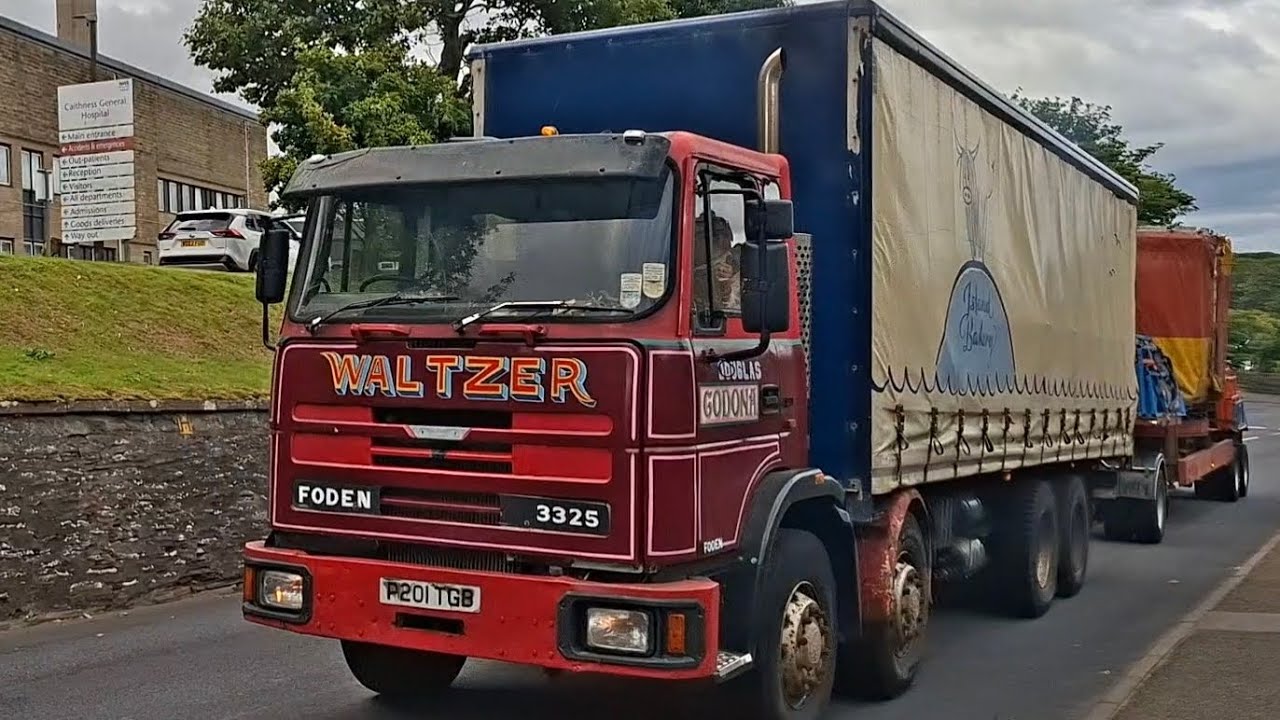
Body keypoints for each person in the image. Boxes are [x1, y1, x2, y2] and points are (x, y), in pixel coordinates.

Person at [693, 211, 741, 313]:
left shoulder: (743, 266)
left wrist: (725, 285)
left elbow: (734, 309)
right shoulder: (677, 264)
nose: (720, 240)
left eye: (722, 234)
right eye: (699, 235)